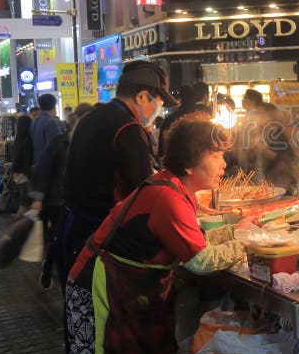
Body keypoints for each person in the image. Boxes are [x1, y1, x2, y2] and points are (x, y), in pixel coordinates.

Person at [64, 119, 245, 354]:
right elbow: (201, 261)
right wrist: (247, 243)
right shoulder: (168, 198)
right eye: (216, 155)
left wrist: (235, 231)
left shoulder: (174, 186)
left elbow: (191, 239)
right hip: (97, 288)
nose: (224, 164)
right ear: (189, 163)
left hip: (126, 289)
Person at [61, 60, 179, 283]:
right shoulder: (128, 128)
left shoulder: (90, 119)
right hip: (105, 241)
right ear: (143, 96)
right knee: (106, 312)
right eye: (160, 102)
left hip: (74, 232)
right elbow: (145, 193)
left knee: (82, 310)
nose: (158, 110)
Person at [29, 103, 94, 289]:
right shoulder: (60, 141)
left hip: (78, 200)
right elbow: (43, 170)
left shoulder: (90, 143)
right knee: (59, 239)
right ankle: (54, 270)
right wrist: (38, 197)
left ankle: (56, 268)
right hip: (56, 199)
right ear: (80, 120)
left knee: (65, 239)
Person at [30, 93, 64, 166]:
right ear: (54, 105)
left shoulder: (35, 121)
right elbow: (56, 148)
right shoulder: (51, 122)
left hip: (37, 164)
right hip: (48, 167)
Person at [12, 115, 34, 214]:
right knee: (26, 203)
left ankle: (19, 224)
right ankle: (18, 226)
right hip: (25, 175)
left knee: (23, 201)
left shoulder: (16, 140)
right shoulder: (27, 141)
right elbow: (27, 160)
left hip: (18, 174)